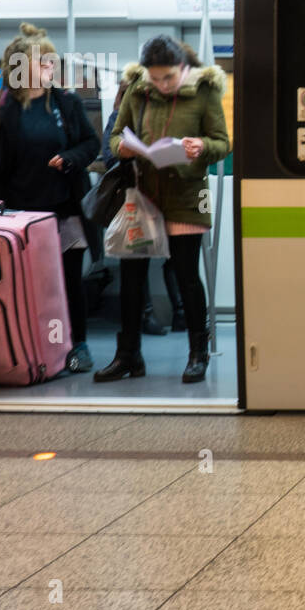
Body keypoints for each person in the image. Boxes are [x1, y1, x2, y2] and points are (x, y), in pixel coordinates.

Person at [94, 36, 229, 385]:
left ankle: (198, 353)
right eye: (155, 78)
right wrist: (123, 147)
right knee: (133, 278)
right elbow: (113, 138)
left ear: (183, 68)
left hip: (186, 194)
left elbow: (222, 143)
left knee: (187, 275)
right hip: (143, 193)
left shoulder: (205, 92)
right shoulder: (137, 89)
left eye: (168, 77)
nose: (162, 84)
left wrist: (201, 146)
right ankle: (128, 356)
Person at [0, 23, 100, 373]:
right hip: (18, 216)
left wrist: (71, 158)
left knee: (69, 282)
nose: (50, 69)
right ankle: (36, 346)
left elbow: (90, 143)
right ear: (21, 67)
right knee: (30, 283)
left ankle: (76, 346)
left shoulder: (66, 103)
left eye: (51, 63)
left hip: (65, 210)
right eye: (43, 63)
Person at [100, 74, 185, 336]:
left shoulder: (161, 117)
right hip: (134, 198)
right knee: (139, 256)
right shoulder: (117, 119)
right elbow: (109, 157)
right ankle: (144, 315)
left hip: (164, 193)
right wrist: (133, 155)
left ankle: (181, 313)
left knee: (175, 254)